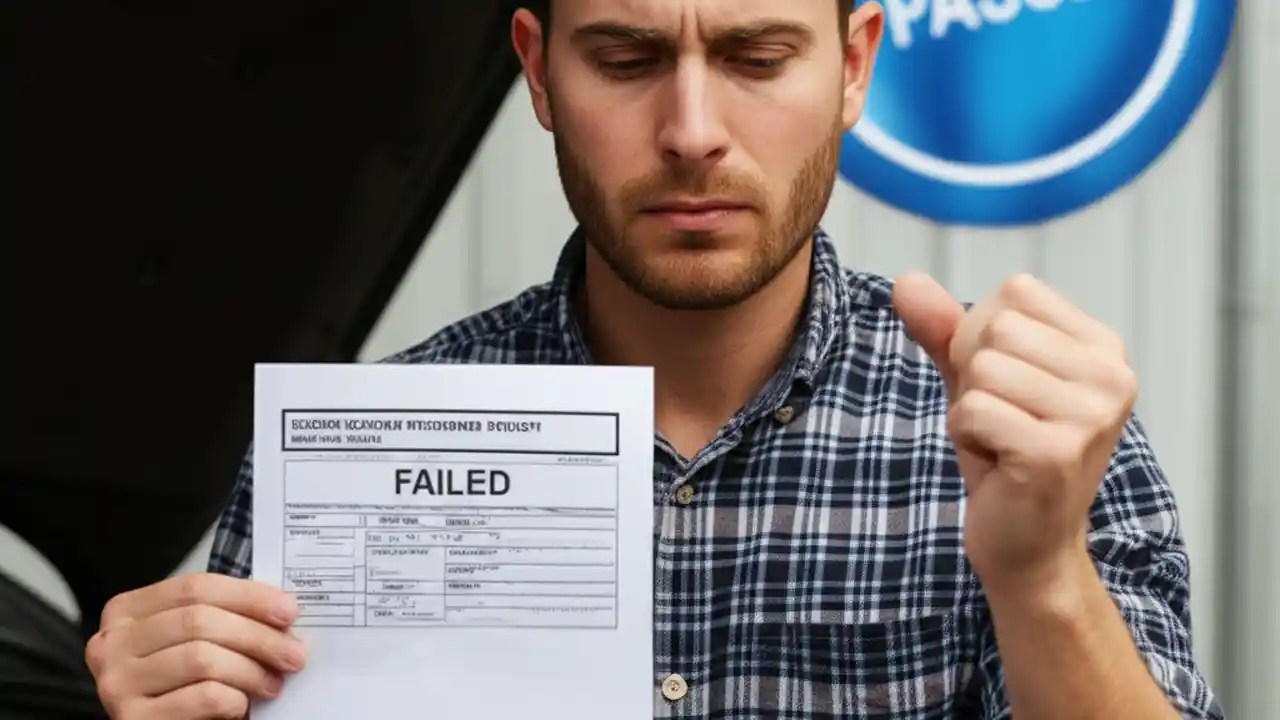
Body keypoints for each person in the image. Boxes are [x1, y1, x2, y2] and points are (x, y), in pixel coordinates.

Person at [83, 1, 1224, 718]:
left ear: (853, 63)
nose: (690, 129)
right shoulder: (341, 460)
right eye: (624, 57)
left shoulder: (1021, 438)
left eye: (755, 54)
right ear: (536, 71)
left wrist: (1036, 580)